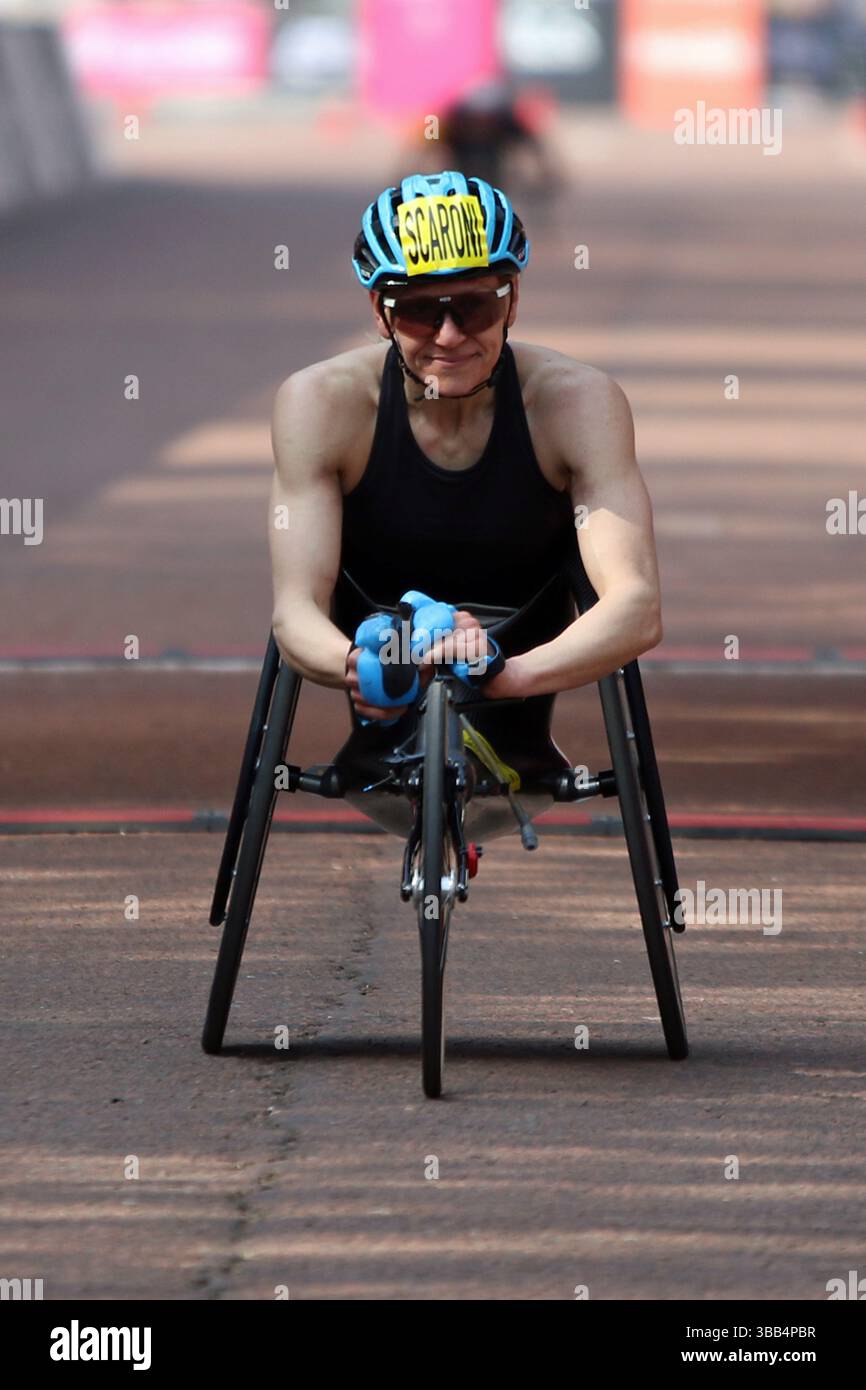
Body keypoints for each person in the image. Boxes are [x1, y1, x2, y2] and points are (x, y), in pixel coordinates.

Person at [268, 171, 662, 808]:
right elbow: (295, 610)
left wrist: (505, 675)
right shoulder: (319, 403)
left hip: (521, 665)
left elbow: (636, 605)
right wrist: (364, 668)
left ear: (512, 301)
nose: (449, 336)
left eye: (474, 306)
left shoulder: (579, 403)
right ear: (379, 312)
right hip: (381, 654)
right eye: (421, 311)